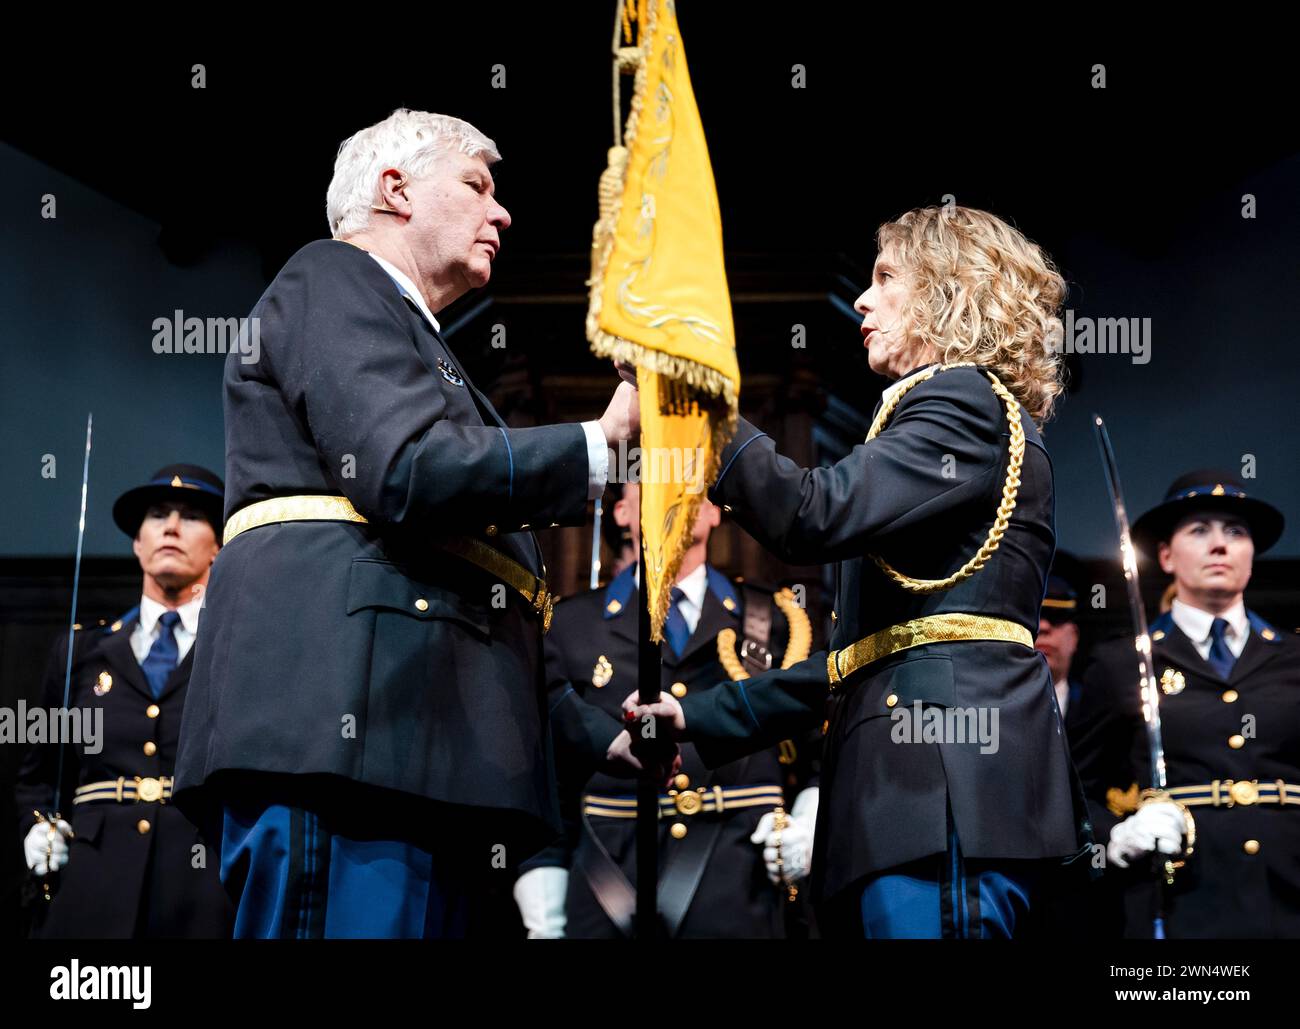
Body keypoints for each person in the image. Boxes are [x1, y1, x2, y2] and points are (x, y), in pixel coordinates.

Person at [172, 109, 639, 938]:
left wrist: (601, 738)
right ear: (395, 189)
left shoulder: (428, 353)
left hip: (413, 750)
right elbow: (405, 466)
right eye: (477, 186)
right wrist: (597, 445)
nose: (502, 214)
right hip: (345, 743)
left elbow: (489, 584)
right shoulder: (333, 276)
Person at [625, 205, 1092, 938]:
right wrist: (696, 716)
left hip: (942, 796)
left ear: (949, 289)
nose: (862, 302)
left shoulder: (961, 399)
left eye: (885, 279)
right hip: (923, 797)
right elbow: (870, 656)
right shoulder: (958, 411)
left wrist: (700, 408)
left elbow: (810, 514)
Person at [514, 484, 818, 938]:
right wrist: (543, 888)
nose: (674, 489)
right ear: (621, 510)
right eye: (655, 474)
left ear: (716, 511)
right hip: (606, 881)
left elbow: (817, 749)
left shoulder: (773, 621)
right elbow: (547, 770)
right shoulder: (569, 626)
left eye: (690, 478)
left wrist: (812, 819)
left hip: (740, 884)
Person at [1071, 470, 1299, 937]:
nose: (1220, 545)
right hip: (1182, 902)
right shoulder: (1122, 663)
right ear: (1167, 555)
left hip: (1289, 894)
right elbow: (1072, 787)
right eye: (1200, 531)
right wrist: (1115, 834)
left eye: (1236, 533)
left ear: (1252, 555)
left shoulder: (1293, 657)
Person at [17, 465, 233, 938]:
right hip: (91, 891)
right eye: (157, 515)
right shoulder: (79, 651)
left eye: (192, 517)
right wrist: (38, 827)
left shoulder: (237, 651)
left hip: (200, 894)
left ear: (218, 546)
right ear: (138, 543)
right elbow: (38, 775)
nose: (172, 527)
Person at [1036, 572, 1085, 734]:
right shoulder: (990, 710)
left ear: (1074, 636)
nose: (1043, 627)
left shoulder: (1094, 706)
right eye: (1032, 618)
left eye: (1057, 617)